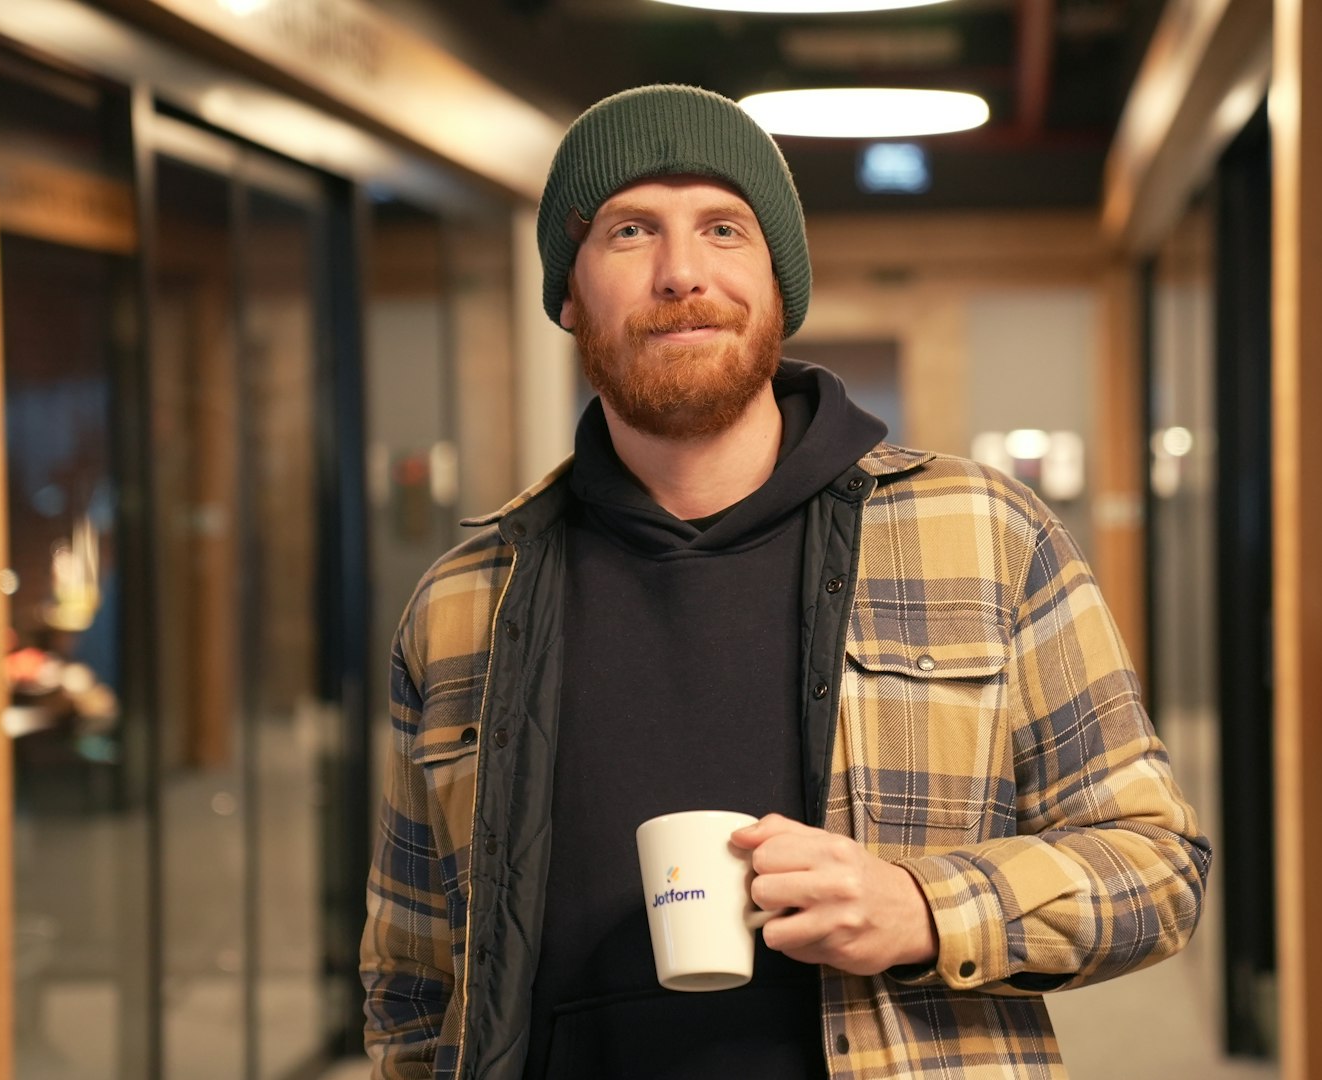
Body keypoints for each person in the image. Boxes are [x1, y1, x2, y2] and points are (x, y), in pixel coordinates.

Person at [361, 84, 1211, 1080]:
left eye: (724, 227)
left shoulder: (983, 534)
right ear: (567, 293)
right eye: (631, 231)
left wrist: (927, 907)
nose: (682, 274)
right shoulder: (466, 602)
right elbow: (411, 986)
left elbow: (1157, 869)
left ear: (779, 281)